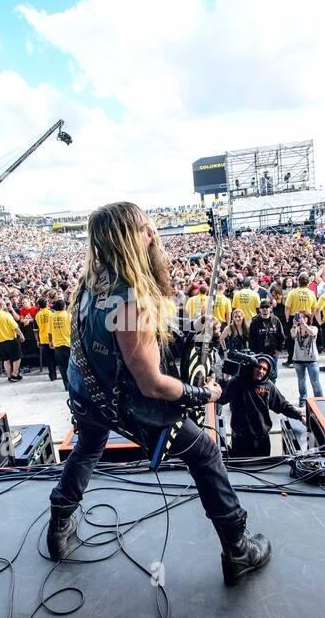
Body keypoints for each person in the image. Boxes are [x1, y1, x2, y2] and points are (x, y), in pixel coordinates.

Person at [50, 202, 270, 586]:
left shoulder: (90, 282)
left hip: (86, 394)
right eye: (143, 228)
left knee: (88, 446)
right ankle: (238, 549)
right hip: (126, 405)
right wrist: (204, 392)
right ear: (125, 238)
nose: (151, 233)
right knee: (204, 453)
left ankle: (58, 525)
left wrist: (186, 322)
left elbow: (116, 336)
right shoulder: (131, 300)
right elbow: (152, 384)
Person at [218, 354, 304, 458]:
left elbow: (283, 405)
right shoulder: (237, 382)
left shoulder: (268, 386)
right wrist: (225, 380)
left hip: (262, 440)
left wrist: (300, 416)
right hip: (240, 440)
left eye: (264, 369)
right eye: (258, 367)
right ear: (252, 366)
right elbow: (222, 399)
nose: (261, 371)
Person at [290, 312, 323, 410]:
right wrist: (295, 325)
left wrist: (304, 325)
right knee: (301, 381)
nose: (301, 319)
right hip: (298, 359)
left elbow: (312, 333)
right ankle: (303, 399)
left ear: (307, 319)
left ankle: (319, 400)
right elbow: (292, 334)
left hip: (312, 360)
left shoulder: (313, 328)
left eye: (304, 317)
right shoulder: (296, 329)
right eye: (300, 317)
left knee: (315, 382)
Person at [0, 299, 25, 381]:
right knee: (17, 357)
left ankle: (9, 376)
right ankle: (15, 374)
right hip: (9, 340)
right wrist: (21, 335)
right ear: (2, 306)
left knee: (5, 359)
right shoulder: (6, 315)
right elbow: (15, 327)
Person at [248, 301, 285, 372]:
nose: (265, 309)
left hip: (273, 353)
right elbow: (251, 339)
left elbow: (281, 336)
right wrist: (254, 353)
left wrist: (278, 350)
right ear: (259, 309)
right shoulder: (255, 322)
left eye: (267, 307)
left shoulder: (276, 320)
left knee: (273, 374)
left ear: (270, 308)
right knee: (260, 374)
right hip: (259, 353)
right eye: (262, 307)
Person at [48, 298, 72, 392]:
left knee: (62, 366)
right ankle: (74, 384)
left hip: (57, 345)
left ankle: (66, 385)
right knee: (71, 365)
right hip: (68, 343)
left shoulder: (52, 317)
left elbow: (49, 332)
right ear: (64, 306)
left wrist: (50, 342)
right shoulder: (68, 315)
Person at [35, 297, 56, 380]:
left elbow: (35, 330)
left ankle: (52, 375)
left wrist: (37, 341)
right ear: (47, 304)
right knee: (55, 357)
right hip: (54, 338)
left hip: (43, 338)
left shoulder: (37, 315)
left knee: (49, 359)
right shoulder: (52, 312)